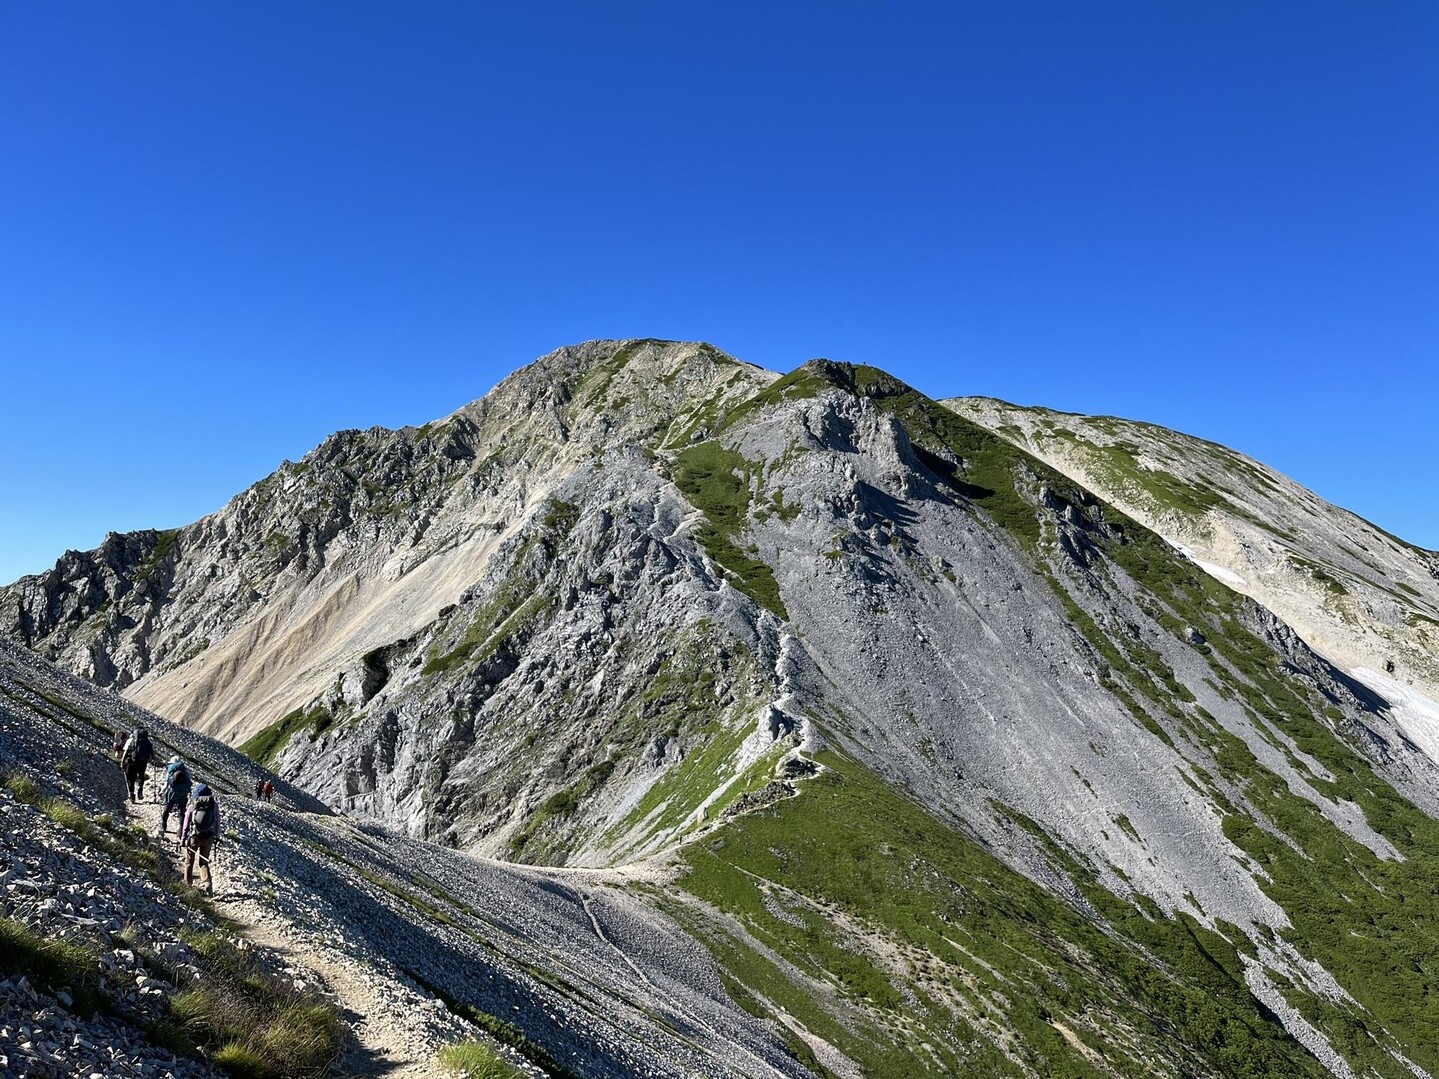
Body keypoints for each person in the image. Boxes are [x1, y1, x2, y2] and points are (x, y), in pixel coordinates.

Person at [181, 784, 221, 894]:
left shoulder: (193, 805)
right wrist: (217, 836)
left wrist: (183, 838)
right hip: (208, 837)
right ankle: (207, 883)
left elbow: (186, 823)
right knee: (203, 861)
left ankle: (187, 884)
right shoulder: (214, 805)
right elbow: (217, 822)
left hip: (194, 837)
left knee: (189, 860)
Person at [160, 756, 192, 835]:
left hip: (172, 794)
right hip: (183, 795)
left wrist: (161, 792)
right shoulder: (185, 771)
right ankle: (181, 830)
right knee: (181, 812)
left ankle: (163, 825)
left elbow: (166, 784)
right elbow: (189, 783)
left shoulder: (170, 772)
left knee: (167, 809)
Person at [120, 727, 154, 803]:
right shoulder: (147, 741)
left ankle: (132, 795)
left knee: (130, 778)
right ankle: (140, 789)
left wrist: (122, 762)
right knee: (141, 775)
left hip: (132, 761)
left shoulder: (130, 740)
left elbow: (125, 752)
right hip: (143, 761)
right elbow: (151, 753)